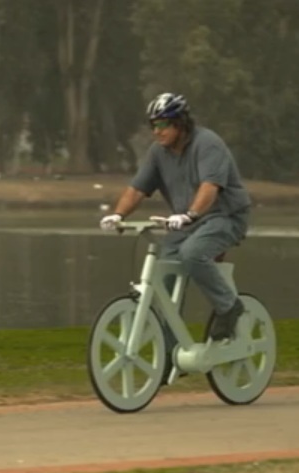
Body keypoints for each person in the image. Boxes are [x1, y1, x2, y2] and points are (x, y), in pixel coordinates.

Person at [99, 92, 252, 341]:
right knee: (163, 269)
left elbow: (209, 187)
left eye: (162, 125)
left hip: (225, 217)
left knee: (192, 253)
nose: (156, 132)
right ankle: (170, 346)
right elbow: (137, 189)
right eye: (153, 125)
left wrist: (190, 214)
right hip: (189, 223)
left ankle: (228, 307)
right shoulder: (158, 153)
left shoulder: (208, 144)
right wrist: (118, 215)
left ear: (180, 123)